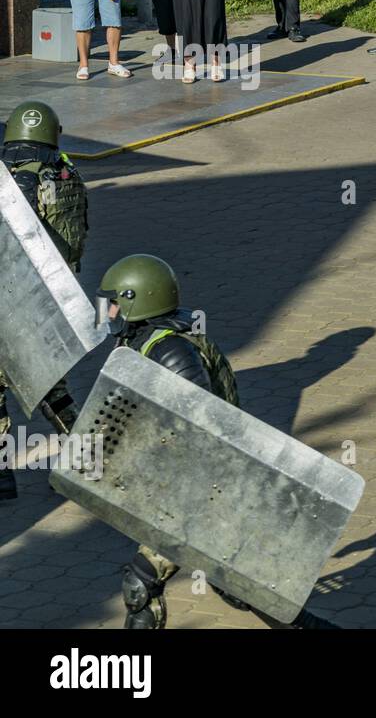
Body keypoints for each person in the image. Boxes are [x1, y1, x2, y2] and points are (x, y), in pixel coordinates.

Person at [96, 254, 335, 629]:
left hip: (203, 489)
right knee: (245, 590)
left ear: (136, 299)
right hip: (192, 486)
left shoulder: (170, 350)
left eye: (113, 302)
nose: (108, 311)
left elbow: (198, 427)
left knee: (141, 584)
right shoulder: (143, 342)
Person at [0, 102, 87, 500]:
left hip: (9, 292)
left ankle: (2, 476)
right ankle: (88, 455)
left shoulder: (9, 174)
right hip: (52, 294)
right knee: (51, 380)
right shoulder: (66, 171)